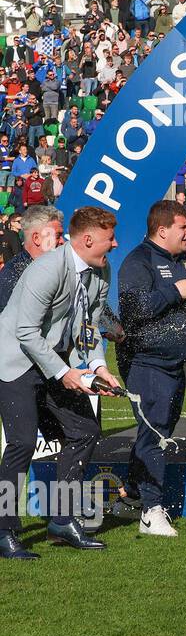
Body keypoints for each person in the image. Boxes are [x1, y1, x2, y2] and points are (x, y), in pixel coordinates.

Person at [0, 207, 123, 558]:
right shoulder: (47, 268)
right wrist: (66, 373)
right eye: (109, 238)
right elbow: (25, 332)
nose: (114, 244)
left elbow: (89, 327)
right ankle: (3, 528)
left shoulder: (101, 270)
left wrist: (98, 366)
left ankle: (61, 520)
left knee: (84, 430)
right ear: (87, 239)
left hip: (52, 362)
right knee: (22, 443)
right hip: (14, 361)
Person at [116, 201, 186, 537]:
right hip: (145, 363)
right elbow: (134, 310)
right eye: (184, 227)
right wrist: (175, 291)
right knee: (154, 435)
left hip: (173, 364)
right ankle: (151, 513)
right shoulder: (138, 261)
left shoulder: (185, 260)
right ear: (163, 230)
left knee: (155, 433)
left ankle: (132, 493)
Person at [0, 205, 63, 310]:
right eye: (57, 236)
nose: (62, 241)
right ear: (37, 238)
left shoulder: (53, 268)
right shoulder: (14, 275)